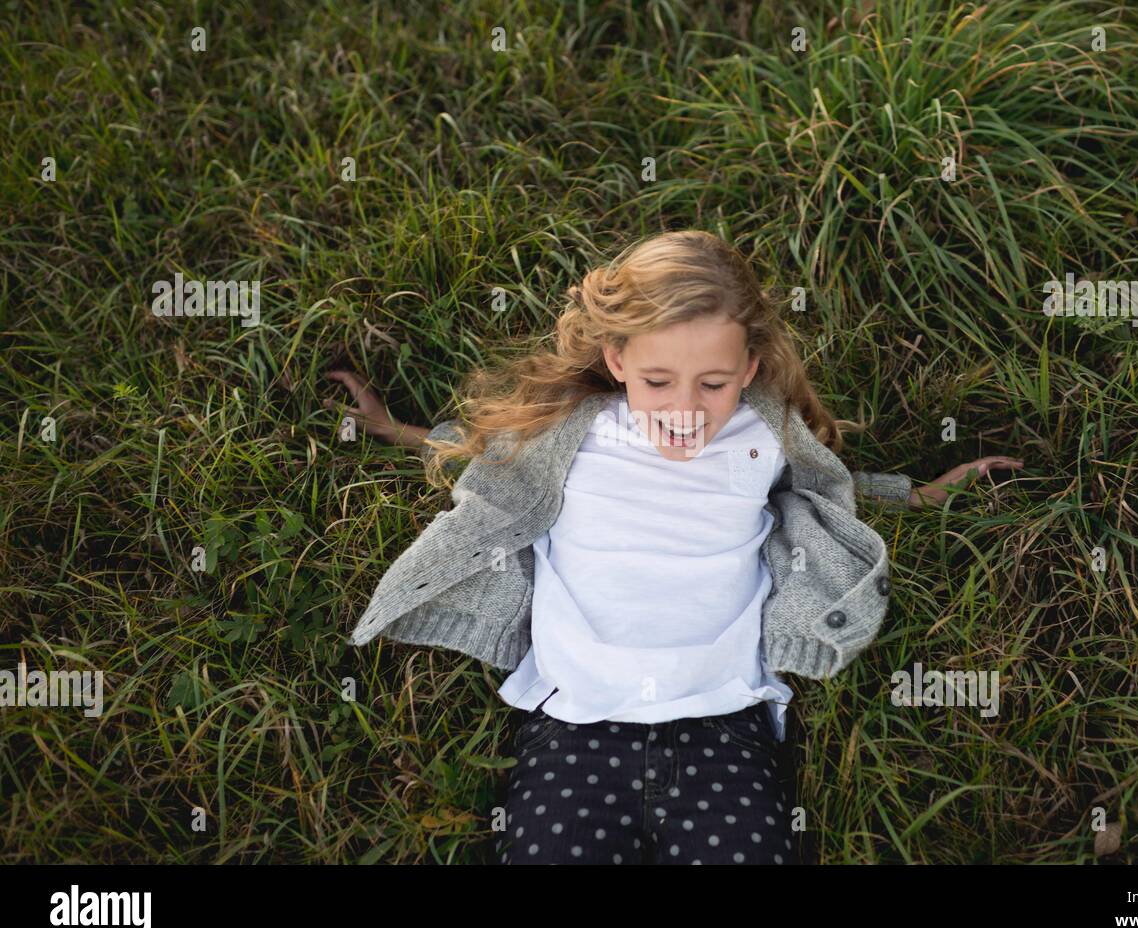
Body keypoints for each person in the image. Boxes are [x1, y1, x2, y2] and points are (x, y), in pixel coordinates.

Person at [328, 230, 1022, 864]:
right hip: (576, 725)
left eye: (712, 383)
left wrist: (921, 495)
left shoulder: (762, 433)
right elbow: (486, 451)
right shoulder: (573, 429)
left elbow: (832, 484)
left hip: (724, 719)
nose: (686, 407)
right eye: (659, 381)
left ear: (748, 366)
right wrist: (396, 430)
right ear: (617, 357)